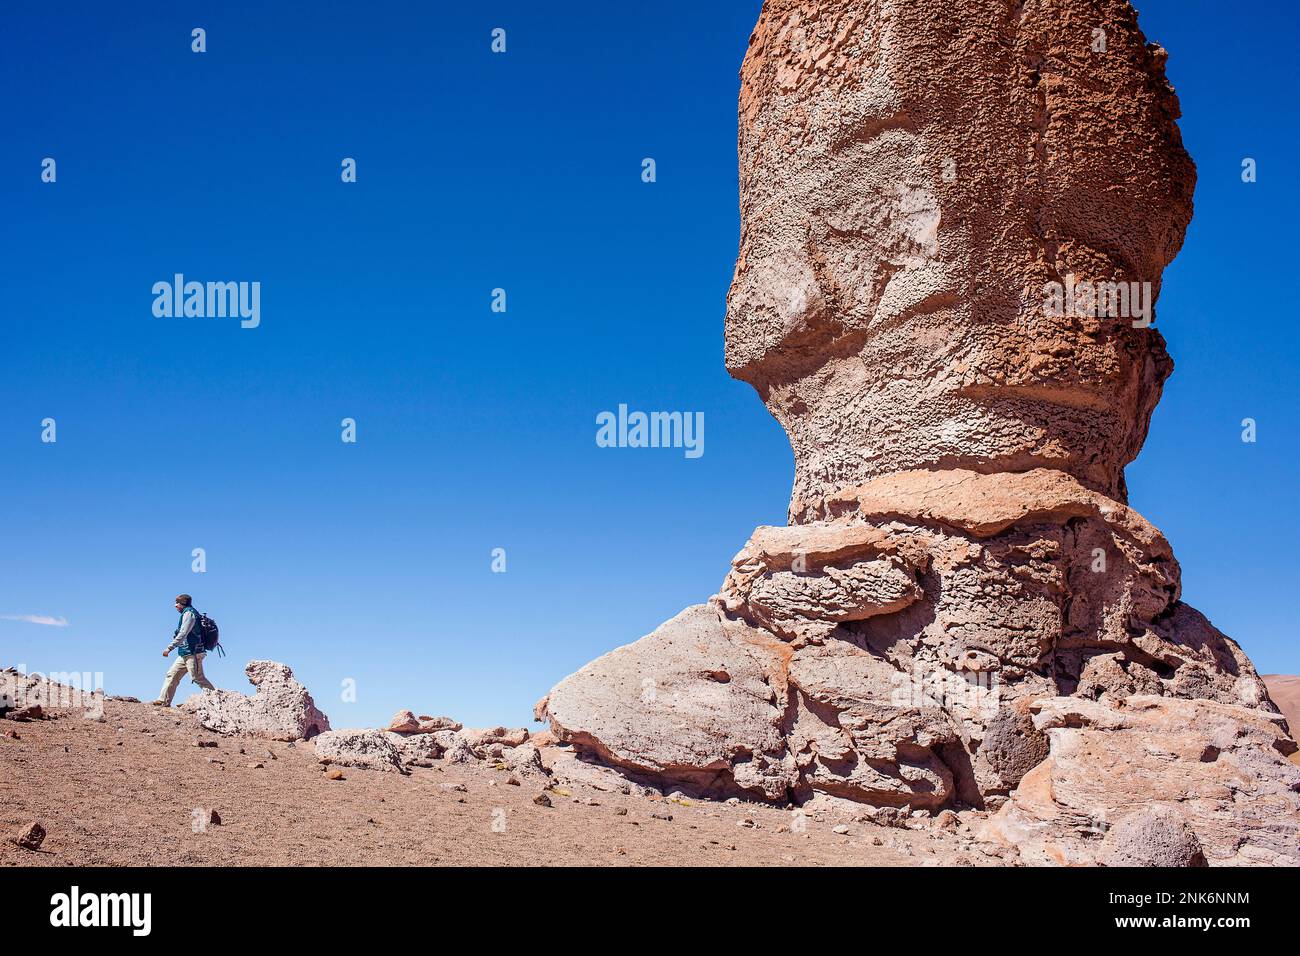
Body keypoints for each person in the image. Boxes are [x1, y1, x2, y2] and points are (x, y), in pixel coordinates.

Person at [151, 594, 216, 706]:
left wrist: (169, 648)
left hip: (193, 652)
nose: (175, 606)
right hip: (185, 652)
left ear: (182, 604)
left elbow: (183, 633)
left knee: (197, 678)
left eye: (177, 603)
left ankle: (217, 699)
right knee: (172, 675)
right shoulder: (187, 613)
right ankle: (163, 701)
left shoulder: (189, 614)